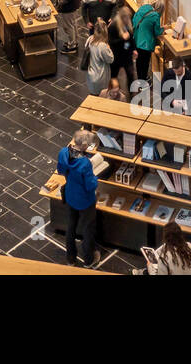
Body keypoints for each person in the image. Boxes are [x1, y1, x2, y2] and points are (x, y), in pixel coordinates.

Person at [57, 130, 100, 267]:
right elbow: (90, 186)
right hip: (85, 200)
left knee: (71, 226)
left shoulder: (63, 152)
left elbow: (61, 171)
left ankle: (71, 258)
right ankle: (89, 260)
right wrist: (95, 178)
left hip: (70, 195)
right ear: (84, 145)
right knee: (88, 230)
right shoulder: (85, 163)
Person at [131, 2, 162, 95]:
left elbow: (134, 18)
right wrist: (163, 29)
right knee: (144, 64)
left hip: (136, 38)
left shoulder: (144, 7)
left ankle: (140, 79)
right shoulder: (155, 15)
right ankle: (143, 83)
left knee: (139, 62)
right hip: (145, 43)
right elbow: (157, 32)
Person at [81, 21, 115, 97]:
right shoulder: (102, 46)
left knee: (93, 96)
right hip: (100, 76)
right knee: (101, 98)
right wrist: (109, 48)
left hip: (91, 74)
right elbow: (110, 59)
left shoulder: (90, 39)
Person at [107, 5, 135, 92]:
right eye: (126, 18)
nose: (128, 20)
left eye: (129, 18)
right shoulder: (113, 26)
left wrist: (134, 49)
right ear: (122, 18)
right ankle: (113, 92)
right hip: (117, 56)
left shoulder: (128, 24)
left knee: (131, 75)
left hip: (127, 56)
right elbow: (111, 42)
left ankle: (131, 94)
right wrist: (122, 38)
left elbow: (131, 38)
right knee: (114, 76)